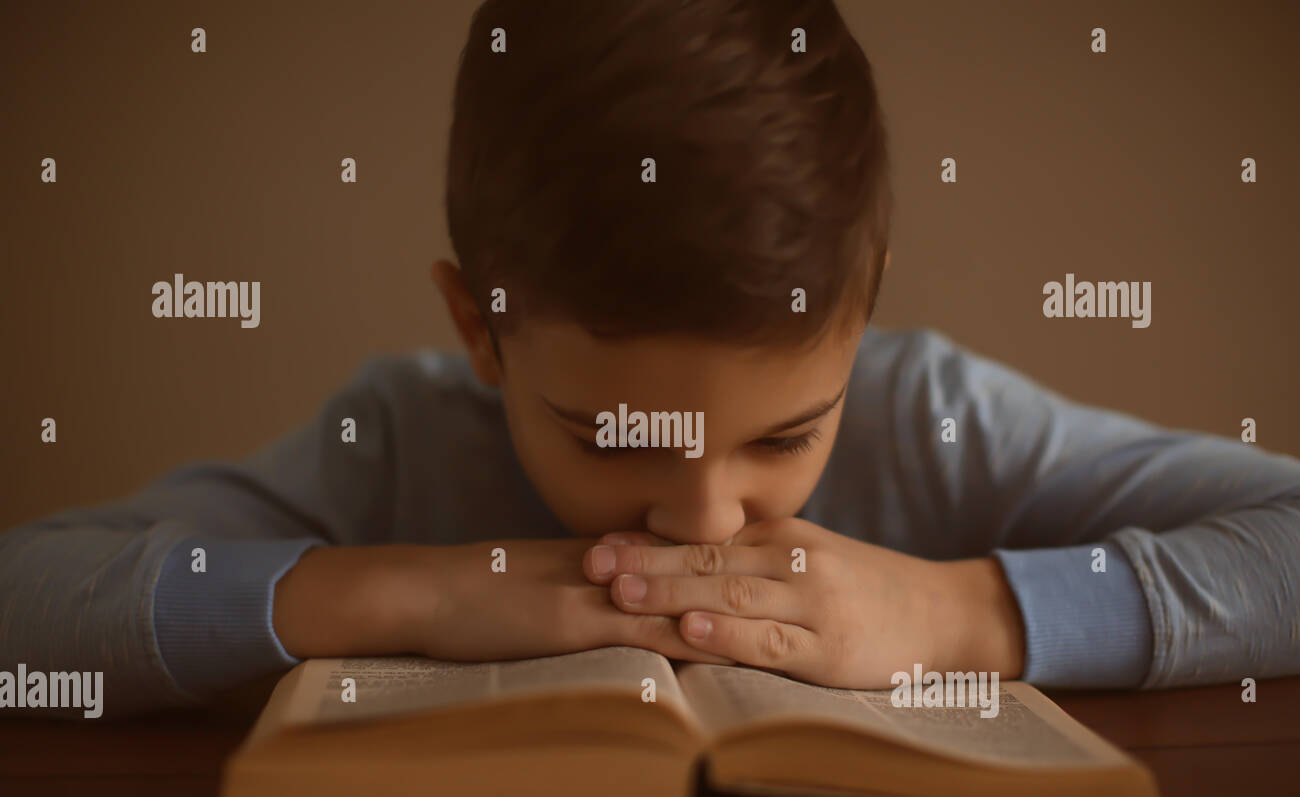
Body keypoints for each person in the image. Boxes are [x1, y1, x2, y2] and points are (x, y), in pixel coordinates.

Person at [2, 0, 1297, 720]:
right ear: (481, 330)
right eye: (615, 437)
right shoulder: (400, 440)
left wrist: (965, 613)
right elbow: (29, 601)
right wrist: (404, 599)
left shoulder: (940, 417)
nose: (702, 517)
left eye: (785, 436)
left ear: (863, 306)